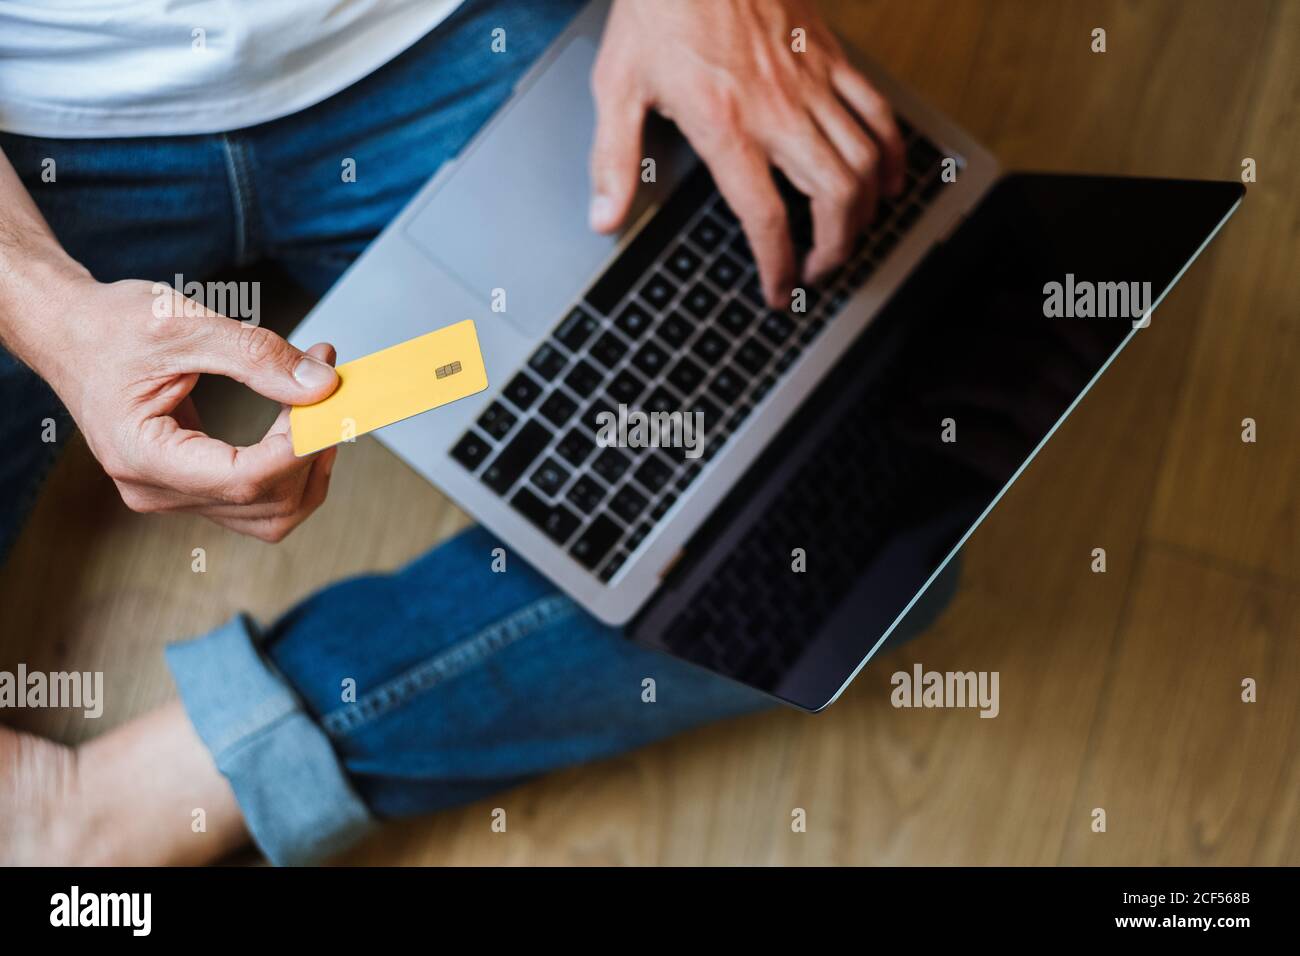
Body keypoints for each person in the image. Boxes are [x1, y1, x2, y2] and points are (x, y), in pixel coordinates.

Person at [0, 0, 930, 865]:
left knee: (862, 527)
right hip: (27, 143)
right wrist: (42, 306)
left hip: (444, 39)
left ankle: (144, 792)